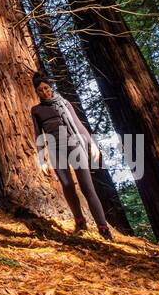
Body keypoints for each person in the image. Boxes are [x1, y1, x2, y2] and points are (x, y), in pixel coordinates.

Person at [30, 71, 114, 240]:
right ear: (36, 92)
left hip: (74, 146)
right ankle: (80, 221)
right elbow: (38, 135)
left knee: (87, 187)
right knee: (67, 186)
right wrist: (42, 160)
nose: (44, 92)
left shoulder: (64, 103)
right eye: (40, 90)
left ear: (51, 87)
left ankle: (103, 228)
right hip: (55, 150)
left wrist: (92, 144)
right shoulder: (36, 110)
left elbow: (77, 124)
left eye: (46, 88)